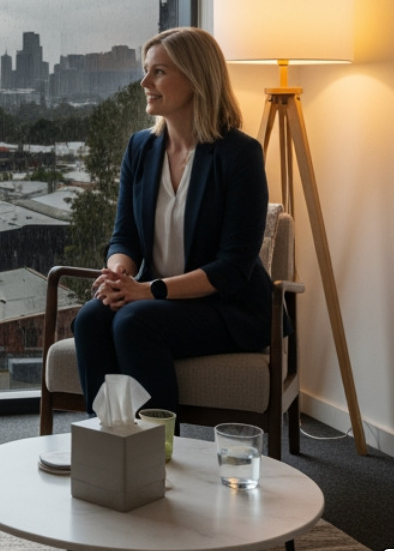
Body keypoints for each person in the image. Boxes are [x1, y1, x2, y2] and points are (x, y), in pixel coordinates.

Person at [72, 27, 277, 414]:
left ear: (196, 78)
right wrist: (119, 276)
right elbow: (125, 236)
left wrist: (147, 291)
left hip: (226, 307)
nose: (145, 83)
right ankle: (112, 434)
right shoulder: (141, 147)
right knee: (90, 319)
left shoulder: (239, 154)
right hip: (153, 297)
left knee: (134, 322)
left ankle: (160, 443)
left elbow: (232, 268)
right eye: (146, 71)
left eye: (159, 72)